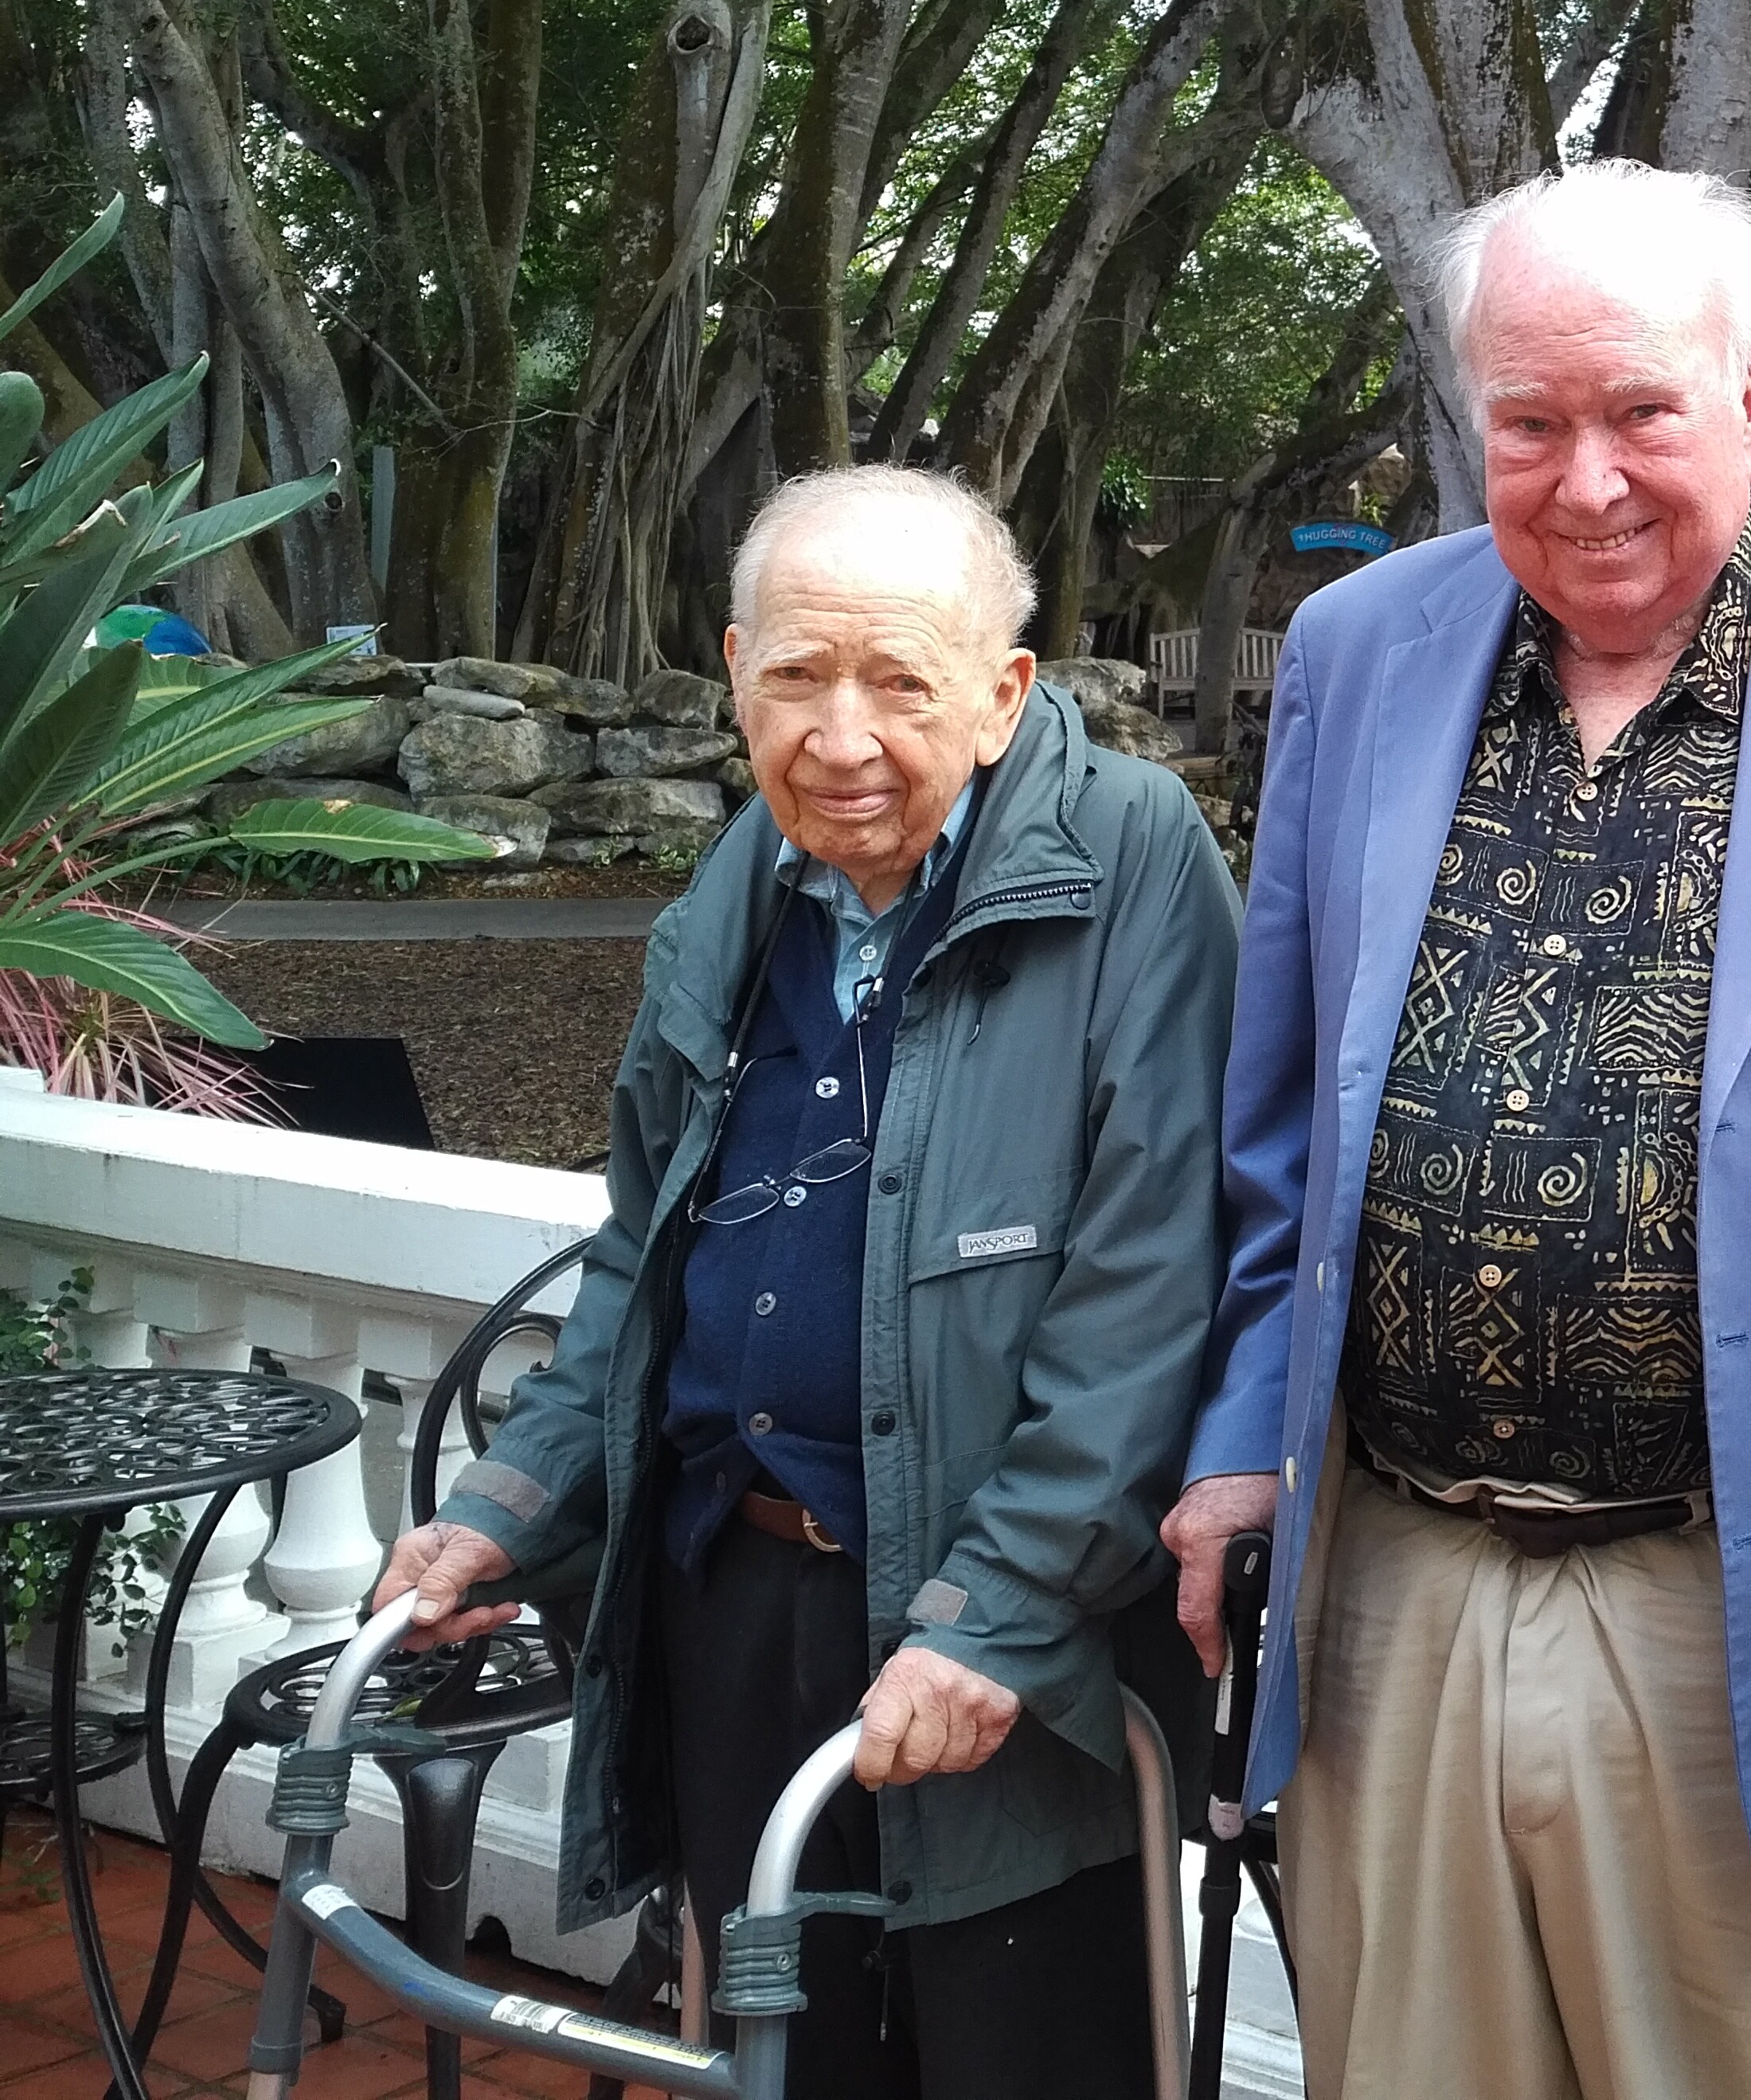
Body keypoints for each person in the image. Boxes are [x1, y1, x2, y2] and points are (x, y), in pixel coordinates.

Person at [1159, 161, 1751, 2100]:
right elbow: (1277, 1143)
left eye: (1641, 413)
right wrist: (1247, 1440)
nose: (1585, 479)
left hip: (1749, 1601)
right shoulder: (1358, 658)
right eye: (1529, 423)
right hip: (1396, 1584)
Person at [379, 467, 1240, 2099]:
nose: (841, 736)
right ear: (733, 672)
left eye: (900, 681)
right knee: (785, 2046)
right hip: (740, 1589)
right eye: (794, 678)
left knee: (1022, 2054)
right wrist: (511, 1501)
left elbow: (1154, 1286)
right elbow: (646, 1256)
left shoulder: (1131, 854)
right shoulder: (743, 882)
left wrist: (998, 1611)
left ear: (1002, 696)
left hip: (1004, 1626)